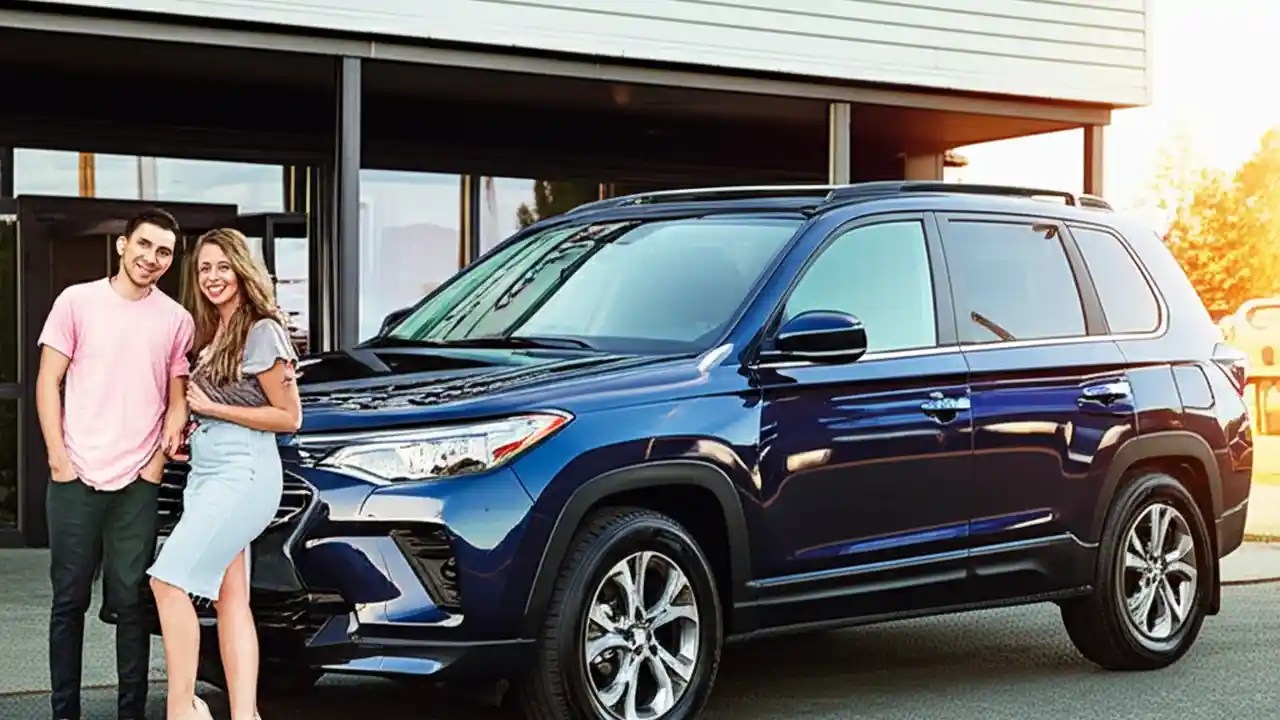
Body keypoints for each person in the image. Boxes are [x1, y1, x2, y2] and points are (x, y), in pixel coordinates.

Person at [37, 207, 194, 720]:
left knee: (131, 605)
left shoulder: (176, 319)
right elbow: (48, 380)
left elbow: (177, 398)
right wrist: (58, 459)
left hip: (137, 483)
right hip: (75, 477)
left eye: (164, 252)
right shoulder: (76, 301)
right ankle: (65, 713)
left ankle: (131, 713)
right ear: (124, 245)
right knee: (69, 602)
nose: (152, 258)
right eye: (144, 245)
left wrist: (155, 467)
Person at [147, 227, 301, 720]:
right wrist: (190, 428)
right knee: (231, 599)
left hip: (243, 471)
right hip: (208, 472)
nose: (213, 277)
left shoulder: (262, 329)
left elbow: (289, 417)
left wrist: (213, 409)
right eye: (204, 269)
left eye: (222, 266)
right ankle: (244, 714)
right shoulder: (213, 331)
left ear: (242, 269)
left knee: (167, 581)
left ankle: (183, 707)